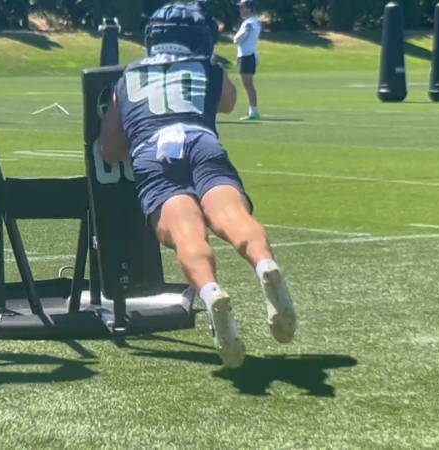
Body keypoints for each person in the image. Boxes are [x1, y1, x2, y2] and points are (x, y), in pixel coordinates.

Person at [99, 2, 296, 369]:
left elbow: (109, 148)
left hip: (153, 151)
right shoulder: (208, 65)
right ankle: (264, 263)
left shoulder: (127, 76)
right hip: (200, 140)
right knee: (230, 213)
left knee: (186, 233)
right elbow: (228, 102)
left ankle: (210, 292)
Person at [233, 0, 261, 120]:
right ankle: (253, 110)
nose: (241, 10)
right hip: (246, 55)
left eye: (243, 8)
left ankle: (253, 111)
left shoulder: (249, 23)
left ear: (249, 9)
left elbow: (237, 40)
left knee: (248, 85)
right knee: (247, 85)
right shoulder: (250, 22)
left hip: (247, 55)